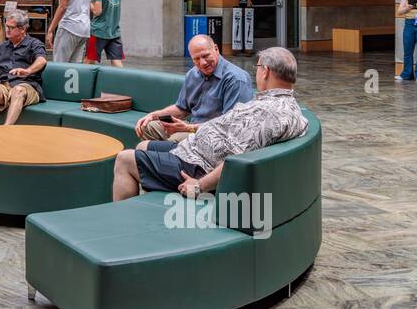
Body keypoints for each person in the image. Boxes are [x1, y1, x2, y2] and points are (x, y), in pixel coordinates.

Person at [113, 46, 308, 200]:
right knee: (143, 146)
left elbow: (237, 159)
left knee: (124, 159)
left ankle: (121, 228)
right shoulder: (285, 107)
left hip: (198, 167)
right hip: (194, 152)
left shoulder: (266, 112)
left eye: (257, 67)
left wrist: (199, 185)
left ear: (265, 71)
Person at [134, 34, 254, 143]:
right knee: (147, 127)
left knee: (173, 141)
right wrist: (154, 115)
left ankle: (164, 160)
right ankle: (162, 160)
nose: (202, 63)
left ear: (216, 49)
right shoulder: (193, 74)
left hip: (216, 136)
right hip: (191, 127)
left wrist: (189, 128)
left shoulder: (235, 79)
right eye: (196, 59)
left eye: (206, 56)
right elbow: (182, 109)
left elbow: (230, 126)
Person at [0, 9, 48, 126]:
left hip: (27, 86)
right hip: (5, 85)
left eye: (11, 28)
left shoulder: (34, 44)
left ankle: (6, 130)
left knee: (18, 90)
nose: (7, 30)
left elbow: (42, 60)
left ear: (22, 29)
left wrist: (27, 71)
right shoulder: (1, 47)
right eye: (6, 26)